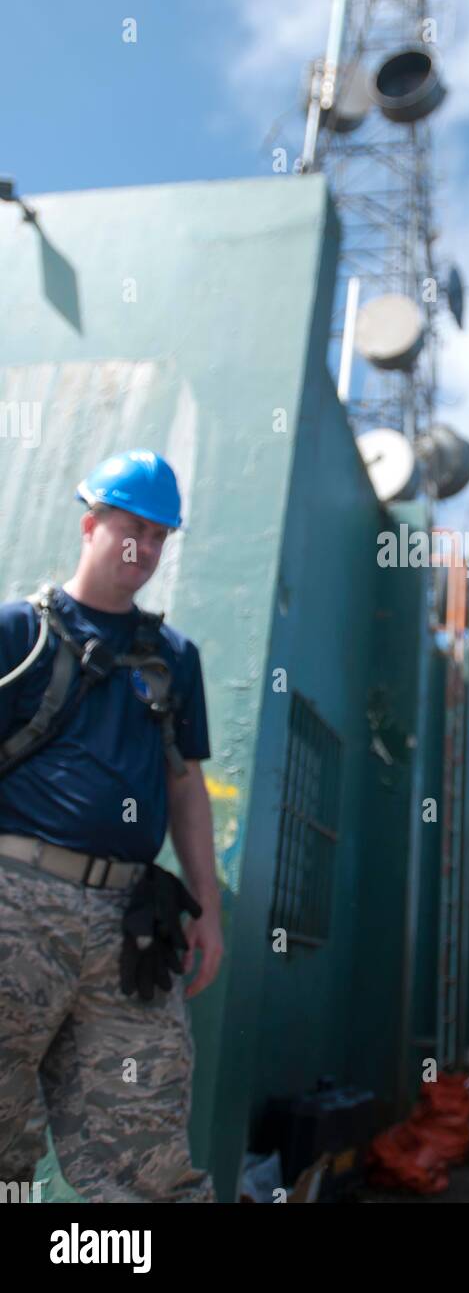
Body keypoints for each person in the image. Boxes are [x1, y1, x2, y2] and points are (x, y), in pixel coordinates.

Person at [0, 449, 222, 1203]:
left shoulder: (171, 659)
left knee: (144, 1152)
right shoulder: (15, 633)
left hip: (131, 929)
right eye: (133, 529)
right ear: (91, 526)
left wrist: (209, 912)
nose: (147, 551)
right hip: (14, 908)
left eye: (161, 537)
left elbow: (185, 787)